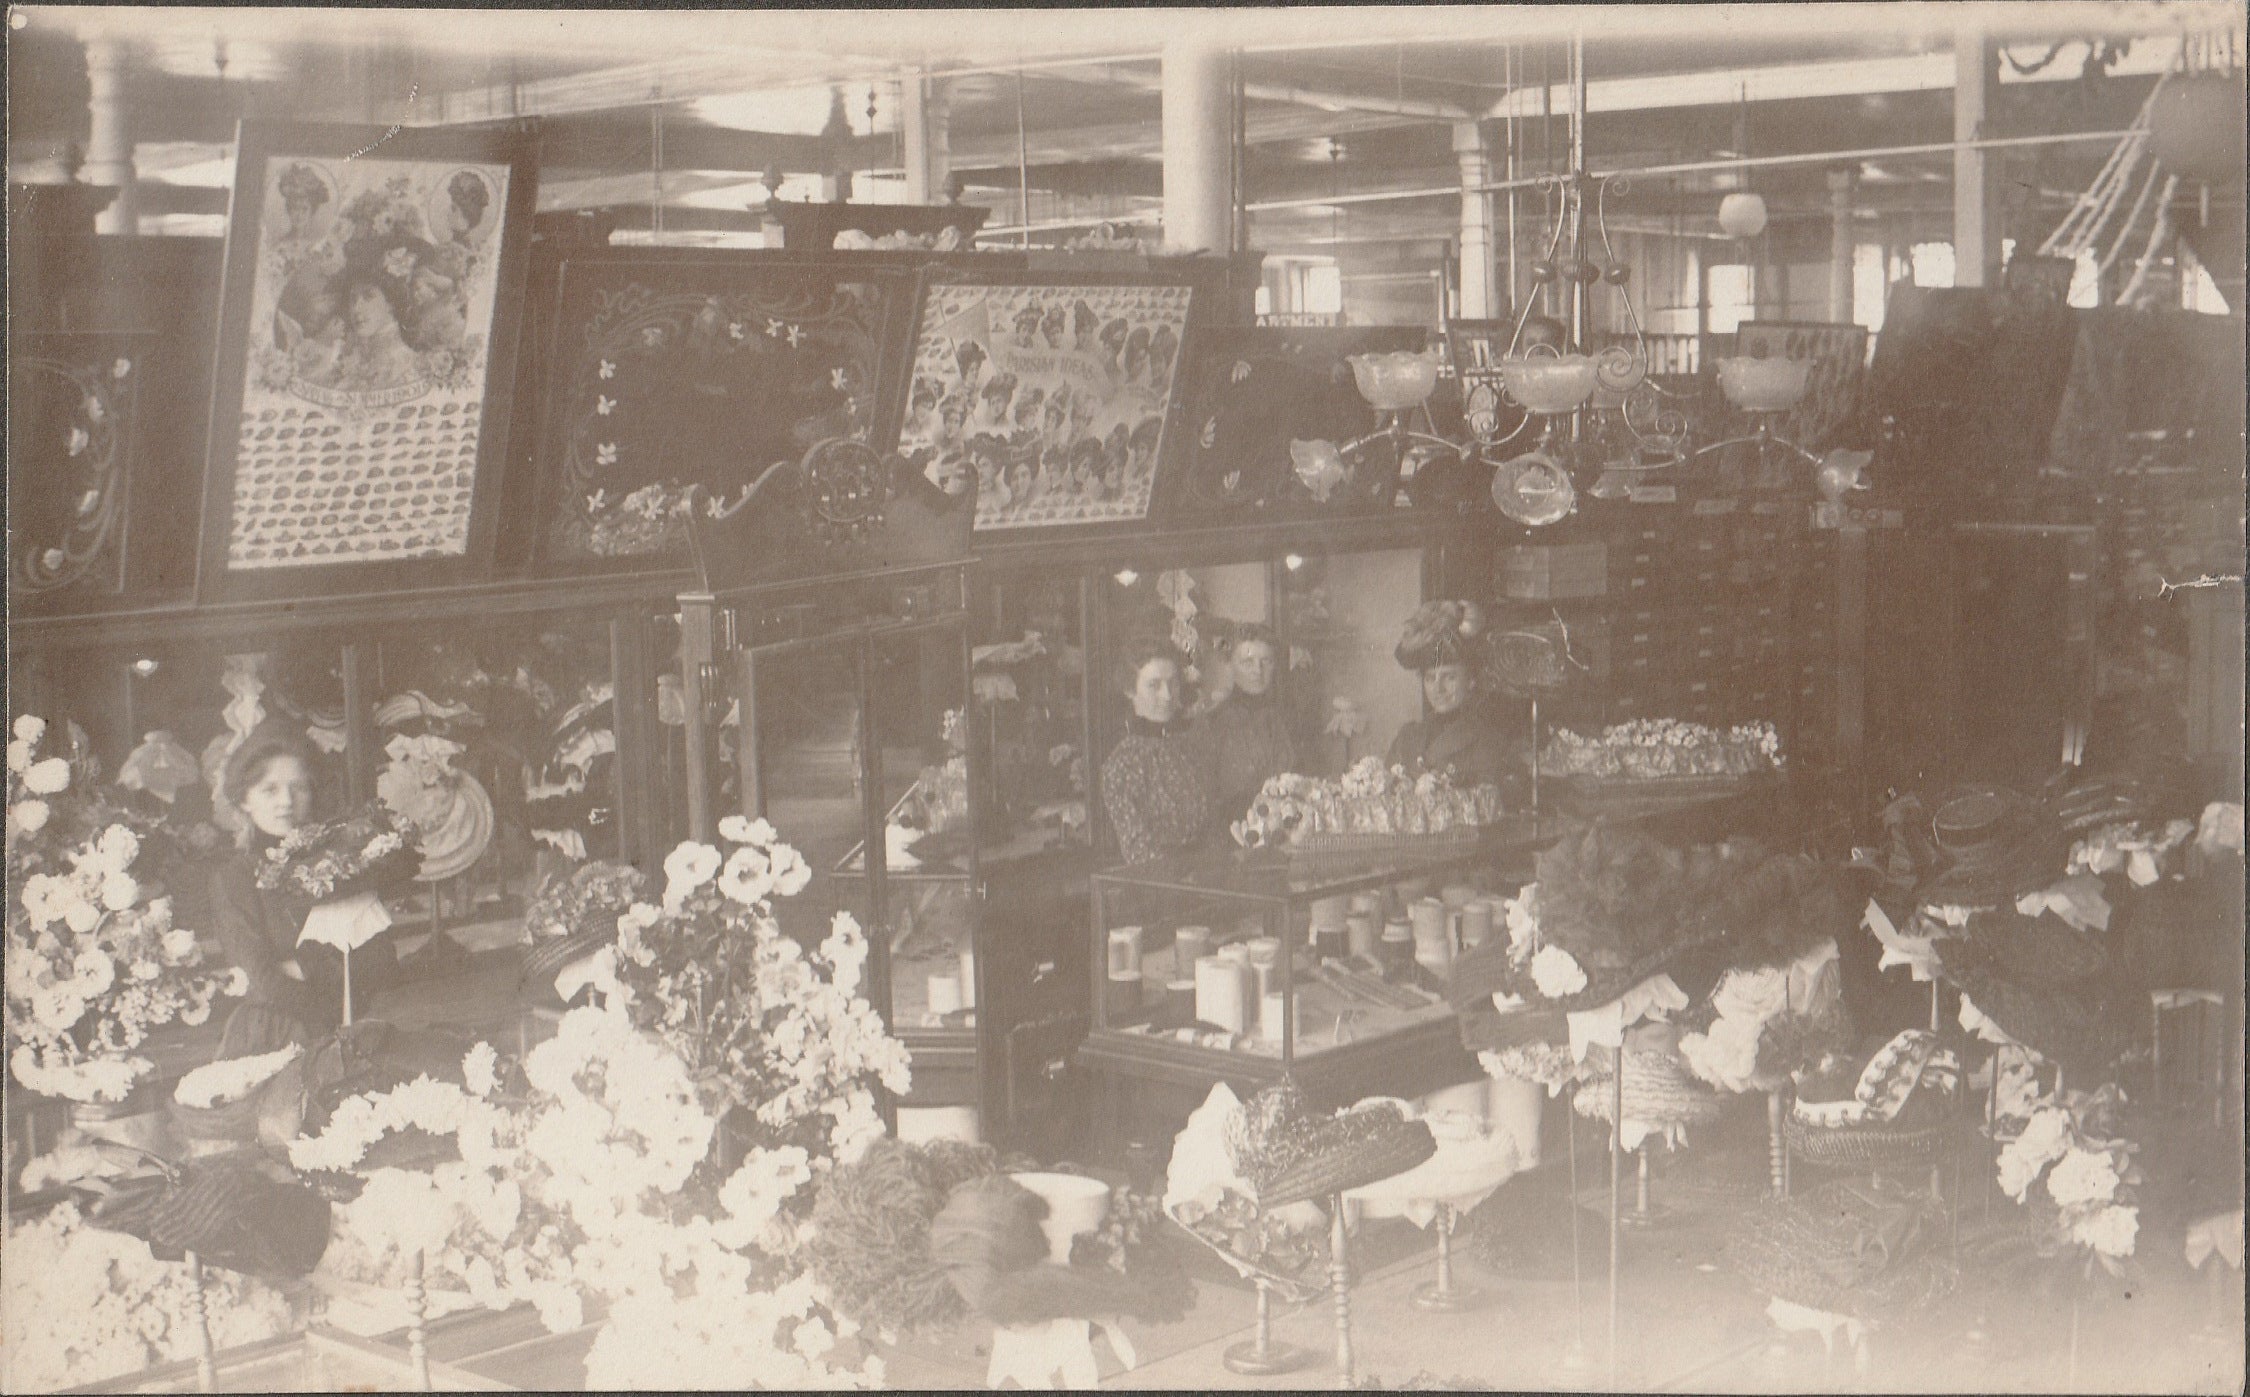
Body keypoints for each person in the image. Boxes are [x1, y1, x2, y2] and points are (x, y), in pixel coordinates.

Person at [208, 732, 398, 1053]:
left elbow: (382, 960)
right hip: (274, 1036)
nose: (286, 801)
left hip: (347, 1029)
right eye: (270, 790)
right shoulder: (233, 879)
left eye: (298, 787)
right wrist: (333, 965)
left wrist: (302, 967)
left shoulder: (336, 863)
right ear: (244, 800)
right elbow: (264, 983)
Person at [1385, 600, 1524, 799]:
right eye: (1430, 678)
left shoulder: (1488, 741)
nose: (1438, 689)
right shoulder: (1406, 738)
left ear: (1471, 681)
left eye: (1450, 677)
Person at [1099, 636, 1215, 865]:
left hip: (1207, 881)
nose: (1168, 695)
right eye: (1154, 685)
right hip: (1159, 888)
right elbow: (1140, 852)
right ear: (1129, 690)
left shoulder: (1188, 747)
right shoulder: (1122, 764)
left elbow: (1212, 828)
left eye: (1172, 683)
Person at [1194, 622, 1299, 822]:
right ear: (1230, 664)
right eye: (1247, 662)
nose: (1257, 671)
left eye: (1266, 661)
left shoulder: (1283, 719)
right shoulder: (1213, 722)